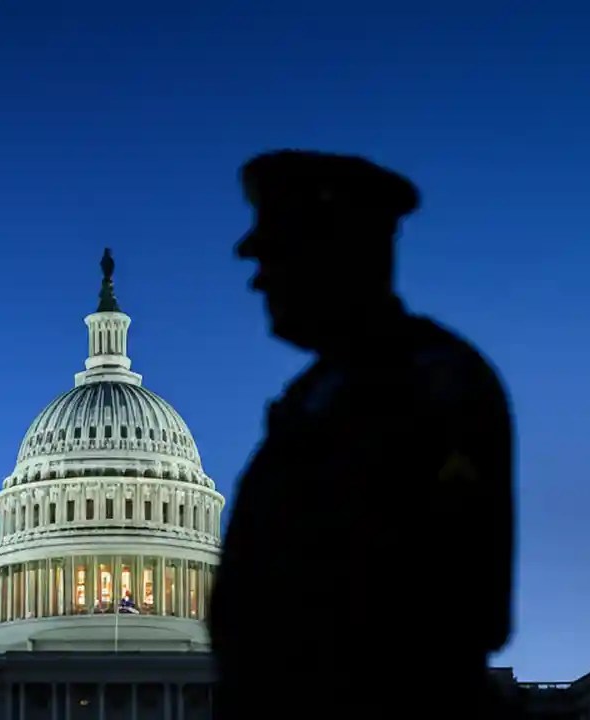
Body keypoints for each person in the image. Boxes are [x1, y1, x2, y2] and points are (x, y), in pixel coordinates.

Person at [207, 150, 515, 718]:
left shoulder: (432, 384)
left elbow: (436, 599)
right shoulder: (316, 394)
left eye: (277, 253)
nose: (256, 278)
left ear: (335, 252)